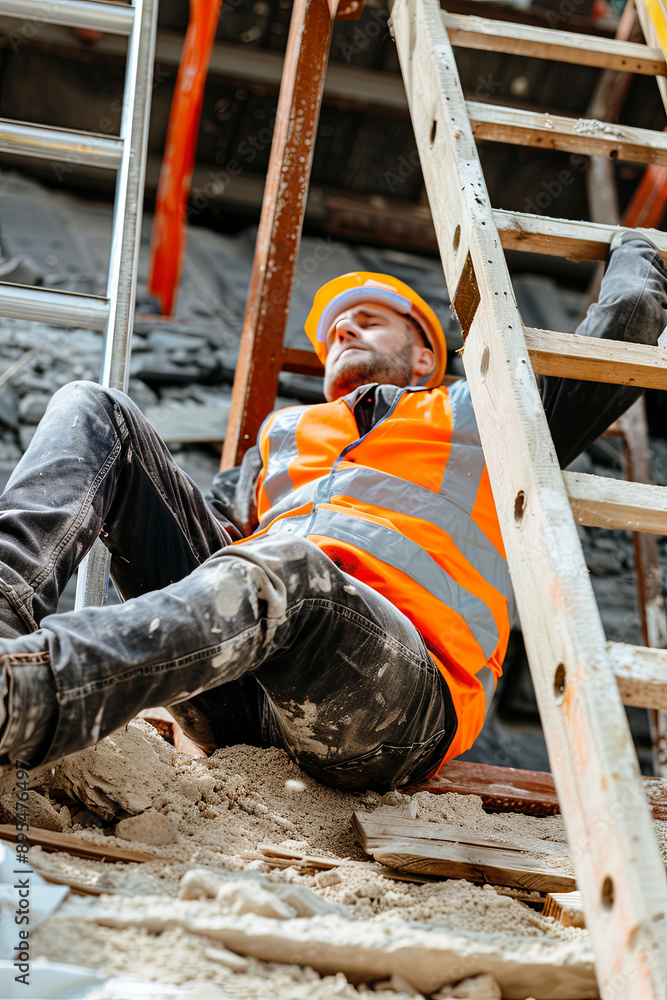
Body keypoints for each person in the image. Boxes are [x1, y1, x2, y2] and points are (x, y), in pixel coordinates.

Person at [0, 232, 665, 791]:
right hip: (248, 677)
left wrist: (636, 244)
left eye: (369, 320)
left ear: (426, 356)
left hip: (394, 695)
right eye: (332, 331)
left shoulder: (482, 414)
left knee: (288, 572)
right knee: (97, 408)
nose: (343, 328)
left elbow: (628, 319)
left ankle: (24, 697)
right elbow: (196, 557)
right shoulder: (282, 437)